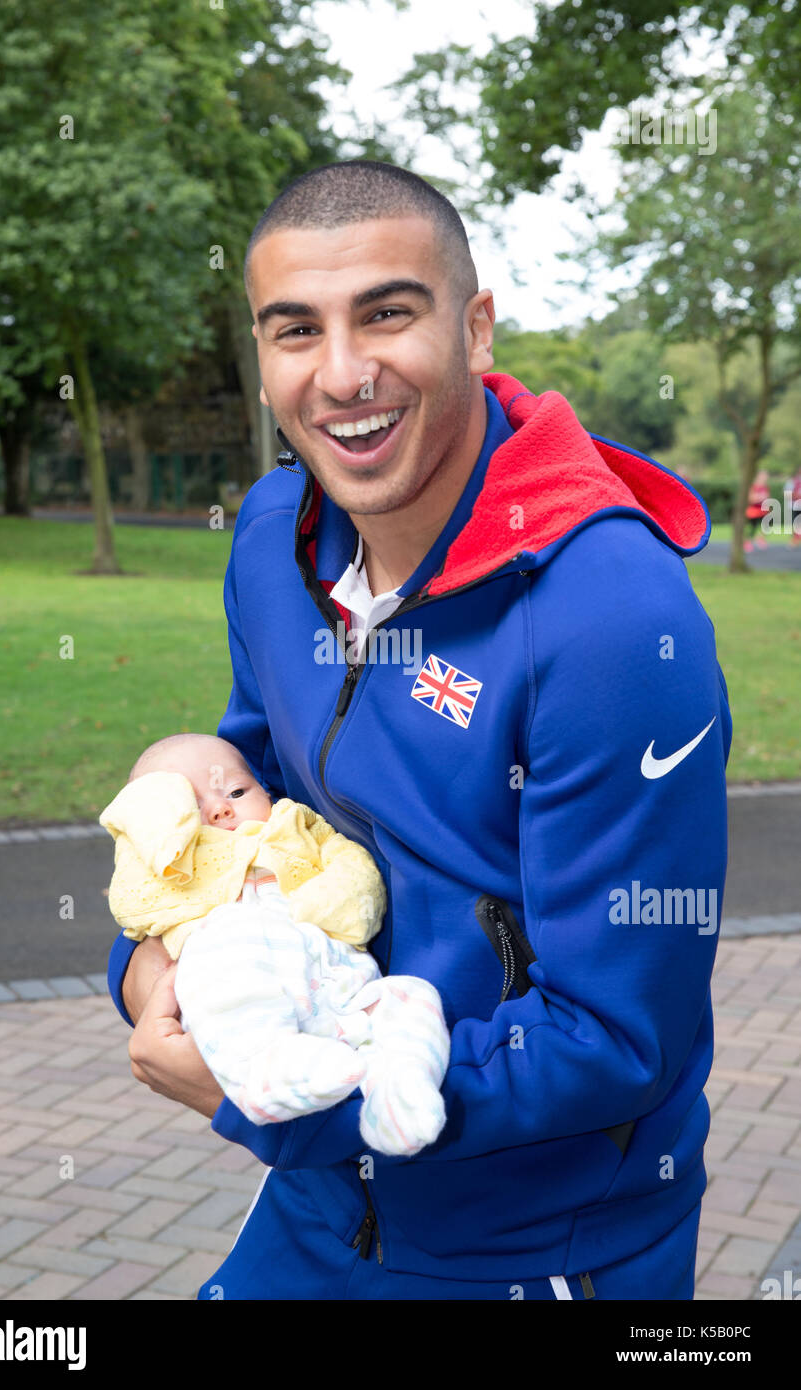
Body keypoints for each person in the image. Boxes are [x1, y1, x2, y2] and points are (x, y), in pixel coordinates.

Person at [109, 160, 732, 1301]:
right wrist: (158, 968)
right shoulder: (270, 532)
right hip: (318, 1211)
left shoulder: (611, 621)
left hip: (533, 1244)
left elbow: (616, 1033)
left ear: (474, 326)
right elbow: (253, 783)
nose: (342, 374)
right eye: (295, 329)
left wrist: (287, 1098)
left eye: (386, 313)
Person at [100, 732, 449, 1156]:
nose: (221, 807)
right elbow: (137, 910)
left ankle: (398, 1093)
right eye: (189, 808)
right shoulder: (169, 865)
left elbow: (354, 872)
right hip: (244, 986)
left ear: (265, 789)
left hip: (335, 978)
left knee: (410, 997)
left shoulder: (295, 825)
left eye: (236, 790)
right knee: (226, 944)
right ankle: (269, 1067)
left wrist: (314, 908)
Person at [744, 468, 770, 552]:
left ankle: (760, 538)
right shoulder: (753, 486)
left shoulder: (765, 487)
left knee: (768, 524)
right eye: (763, 476)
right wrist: (759, 498)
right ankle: (747, 542)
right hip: (753, 511)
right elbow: (750, 499)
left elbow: (767, 498)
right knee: (752, 528)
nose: (765, 478)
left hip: (763, 511)